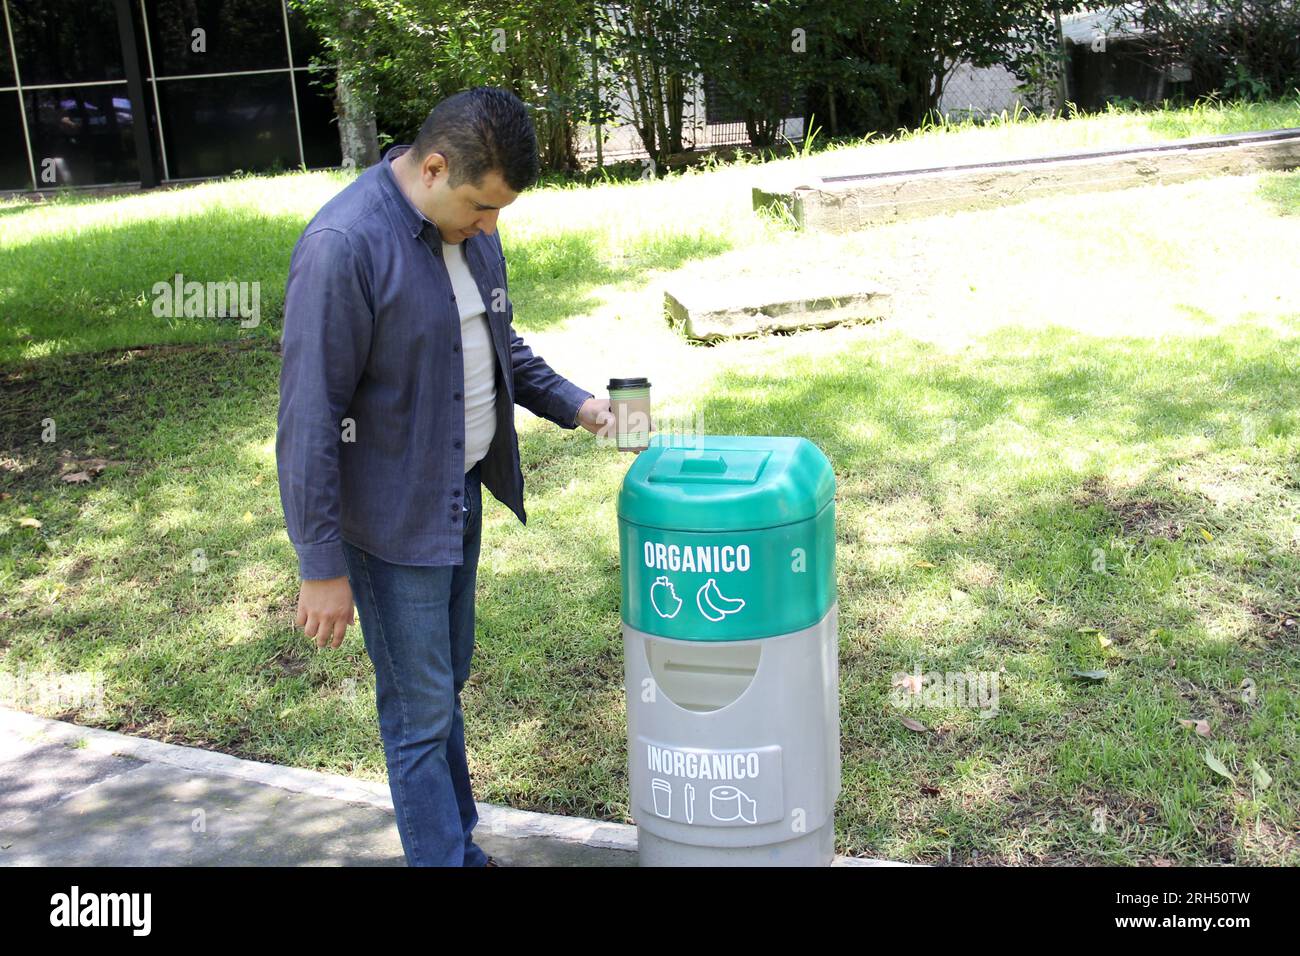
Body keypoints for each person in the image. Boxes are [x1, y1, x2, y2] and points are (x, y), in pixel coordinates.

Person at [275, 86, 616, 867]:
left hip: (456, 500)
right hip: (390, 524)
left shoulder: (470, 232)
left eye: (499, 211)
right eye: (480, 206)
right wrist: (321, 565)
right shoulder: (344, 246)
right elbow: (308, 420)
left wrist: (579, 406)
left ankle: (456, 845)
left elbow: (501, 346)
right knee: (420, 711)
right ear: (432, 168)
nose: (490, 226)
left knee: (441, 688)